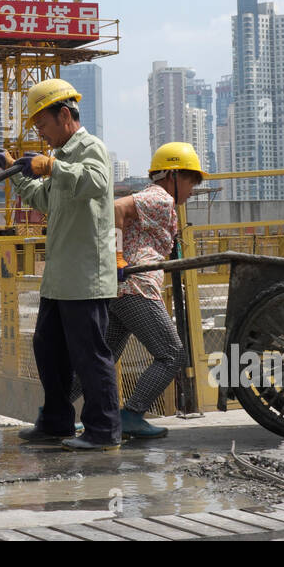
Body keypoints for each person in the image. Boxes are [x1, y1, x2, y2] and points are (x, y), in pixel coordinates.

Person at [0, 77, 120, 450]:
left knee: (90, 356)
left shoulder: (90, 148)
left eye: (43, 125)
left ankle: (103, 431)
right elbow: (43, 200)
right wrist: (11, 168)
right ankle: (57, 422)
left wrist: (50, 167)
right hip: (60, 278)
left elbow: (95, 181)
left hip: (85, 277)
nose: (42, 135)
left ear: (64, 115)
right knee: (48, 350)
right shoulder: (58, 158)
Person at [71, 142, 204, 438]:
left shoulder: (159, 201)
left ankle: (57, 411)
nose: (193, 189)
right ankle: (131, 414)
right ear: (172, 175)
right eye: (191, 181)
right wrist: (117, 254)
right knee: (172, 355)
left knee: (102, 357)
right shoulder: (161, 198)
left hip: (120, 290)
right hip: (136, 289)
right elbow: (117, 208)